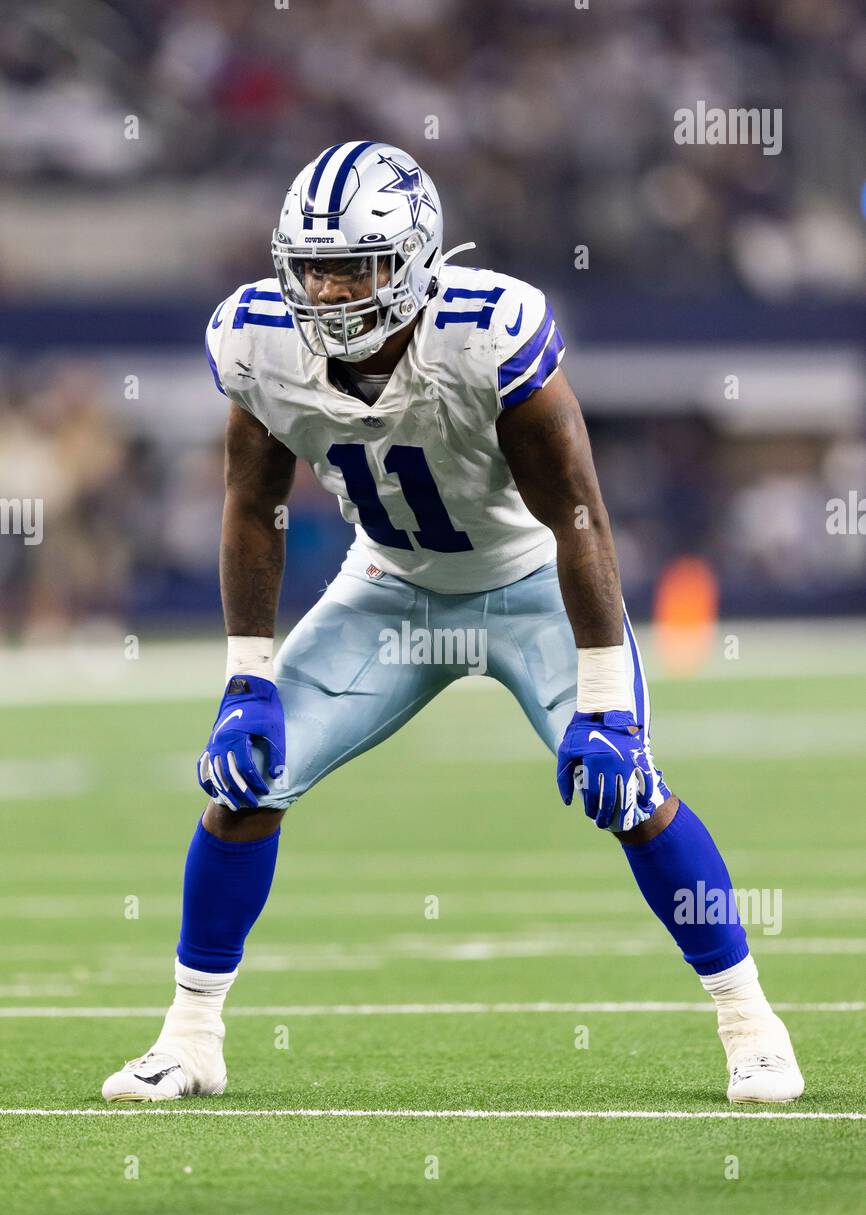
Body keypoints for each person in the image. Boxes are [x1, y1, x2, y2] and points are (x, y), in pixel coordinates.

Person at [102, 142, 804, 1105]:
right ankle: (190, 1038)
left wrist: (607, 706)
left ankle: (750, 1023)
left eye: (355, 264)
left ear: (418, 260)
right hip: (387, 588)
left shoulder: (488, 331)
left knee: (628, 790)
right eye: (313, 264)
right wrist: (245, 680)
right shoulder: (257, 339)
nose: (330, 287)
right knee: (245, 777)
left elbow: (579, 516)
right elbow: (249, 505)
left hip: (530, 585)